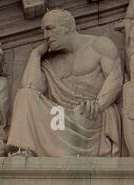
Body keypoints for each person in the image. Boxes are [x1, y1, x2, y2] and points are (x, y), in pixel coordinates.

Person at [7, 9, 122, 157]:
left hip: (89, 116)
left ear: (67, 26)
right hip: (60, 118)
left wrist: (99, 104)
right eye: (43, 31)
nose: (45, 36)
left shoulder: (99, 45)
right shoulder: (50, 61)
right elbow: (30, 88)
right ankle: (24, 151)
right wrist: (35, 54)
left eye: (49, 29)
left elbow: (115, 78)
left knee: (81, 114)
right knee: (24, 94)